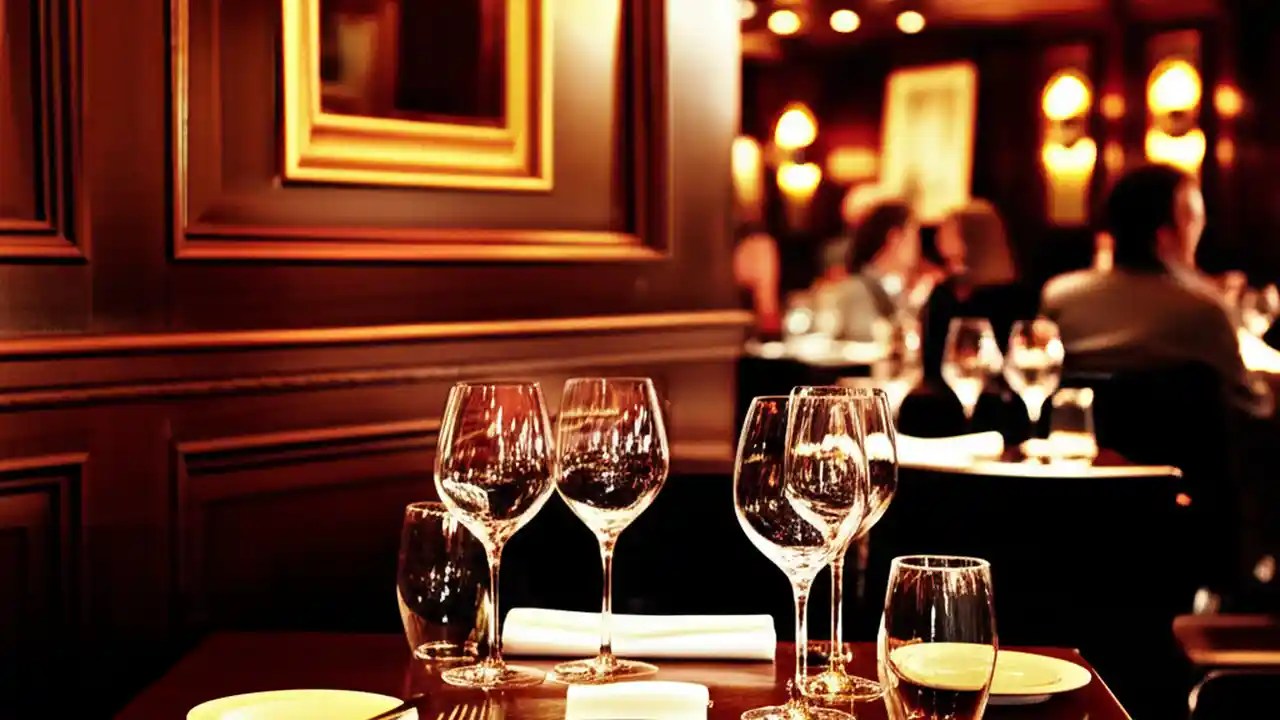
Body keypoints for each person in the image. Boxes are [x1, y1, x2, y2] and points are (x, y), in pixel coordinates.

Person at [1041, 164, 1271, 418]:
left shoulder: (1058, 297)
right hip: (1186, 456)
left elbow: (1040, 380)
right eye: (1194, 220)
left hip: (1088, 453)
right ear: (1164, 235)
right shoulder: (1203, 311)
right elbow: (1252, 405)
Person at [922, 199, 1037, 380]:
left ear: (972, 237)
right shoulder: (945, 289)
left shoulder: (1013, 297)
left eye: (948, 229)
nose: (938, 235)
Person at [832, 200, 937, 343]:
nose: (918, 246)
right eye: (913, 236)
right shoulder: (857, 287)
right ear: (894, 238)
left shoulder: (900, 287)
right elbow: (863, 336)